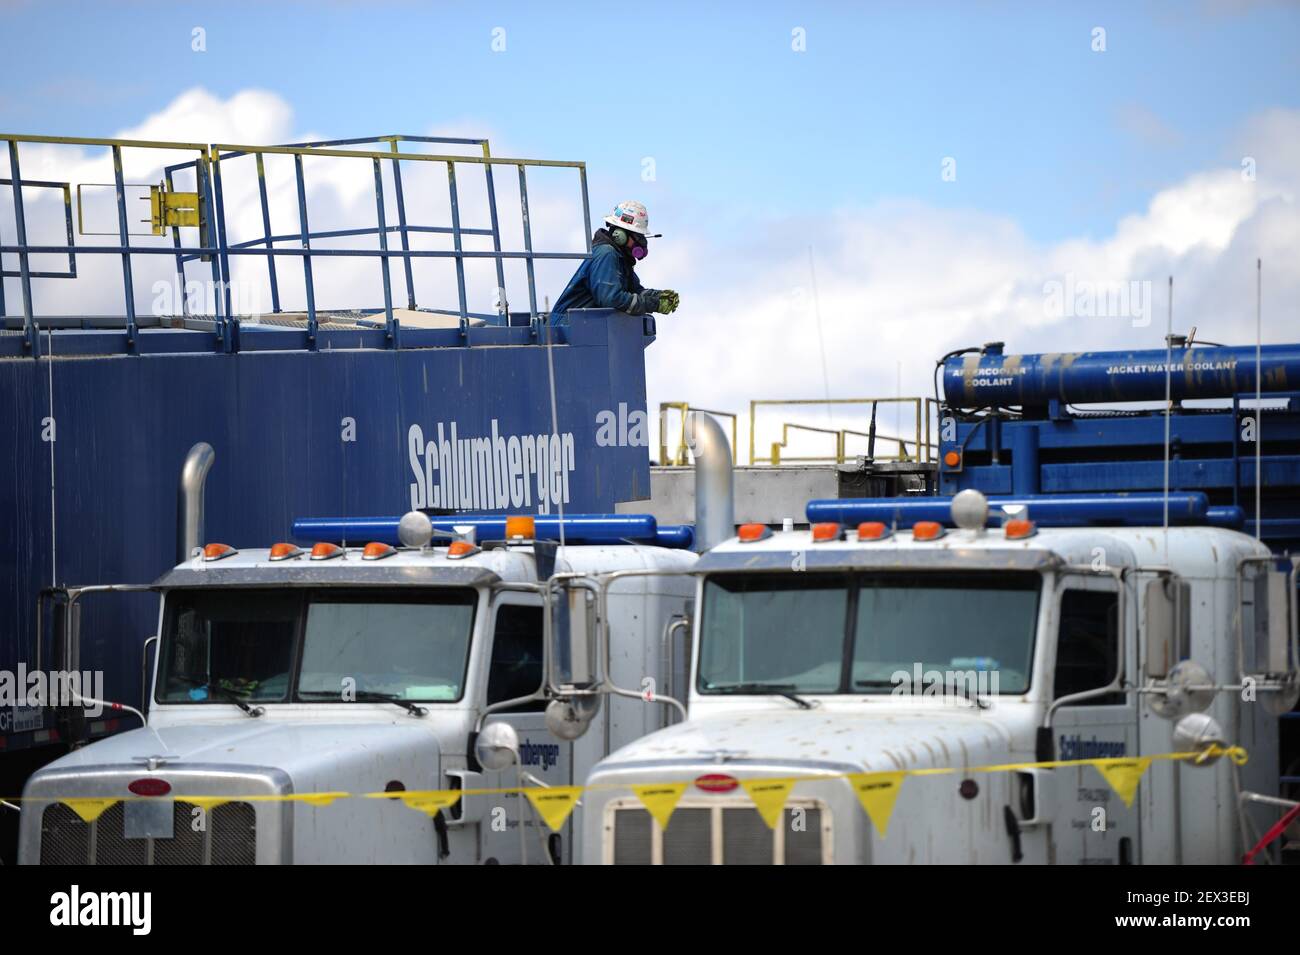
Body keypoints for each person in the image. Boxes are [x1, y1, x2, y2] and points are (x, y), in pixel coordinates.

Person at [548, 200, 680, 324]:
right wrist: (653, 304)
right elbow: (611, 299)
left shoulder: (620, 258)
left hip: (581, 327)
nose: (640, 243)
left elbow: (634, 290)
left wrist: (658, 296)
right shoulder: (606, 254)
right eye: (638, 237)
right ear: (620, 235)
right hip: (566, 328)